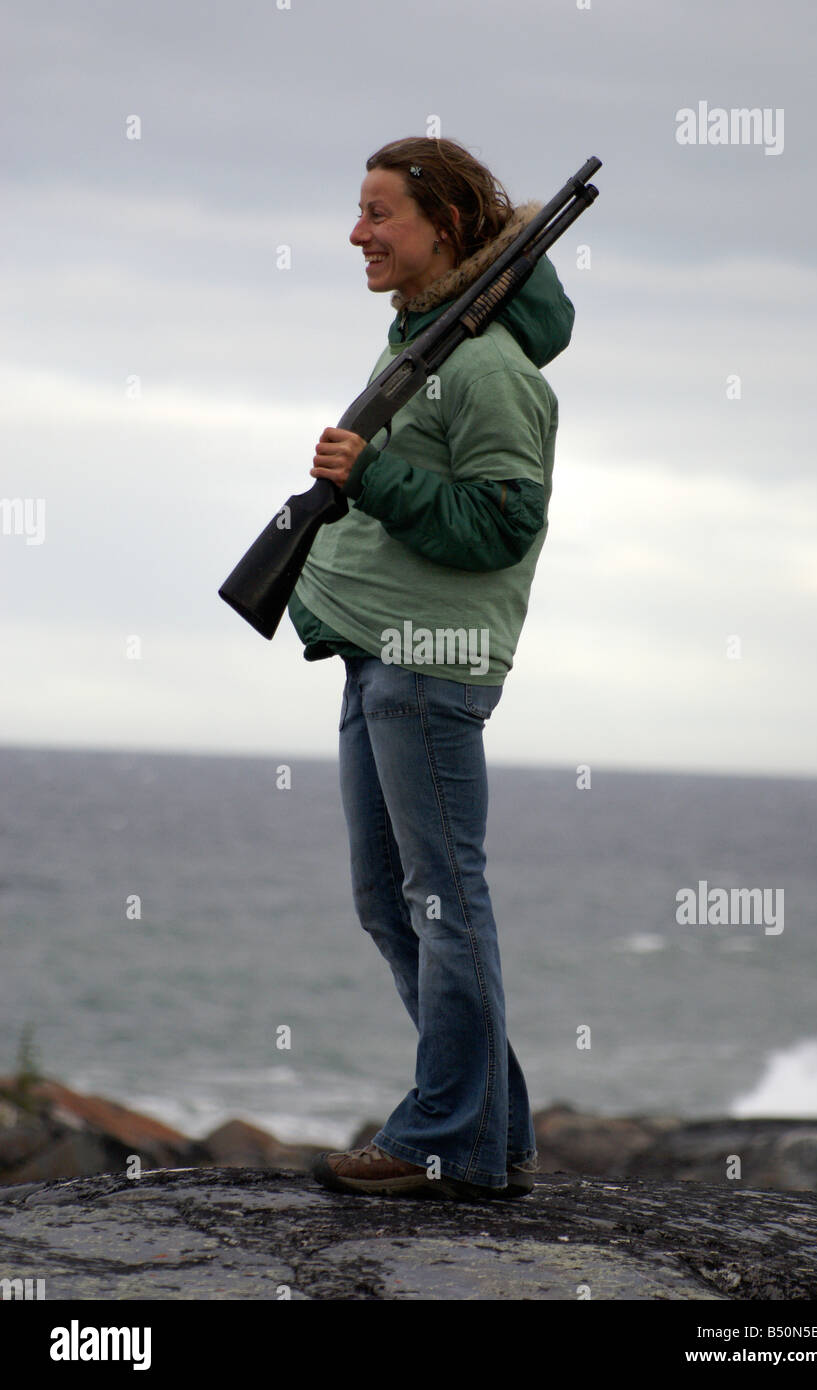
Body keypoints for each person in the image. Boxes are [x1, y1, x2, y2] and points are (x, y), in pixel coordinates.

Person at [288, 136, 574, 1200]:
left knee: (445, 902)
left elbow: (502, 523)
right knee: (389, 901)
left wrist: (374, 476)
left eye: (378, 213)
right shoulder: (424, 341)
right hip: (379, 654)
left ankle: (443, 1135)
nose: (356, 233)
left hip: (429, 660)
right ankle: (487, 1128)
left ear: (443, 229)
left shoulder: (488, 366)